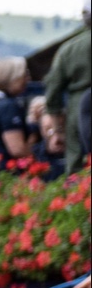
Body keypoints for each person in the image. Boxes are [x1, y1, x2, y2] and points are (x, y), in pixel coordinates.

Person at [48, 10, 90, 174]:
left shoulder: (70, 48)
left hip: (78, 107)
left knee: (76, 166)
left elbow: (53, 90)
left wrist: (57, 129)